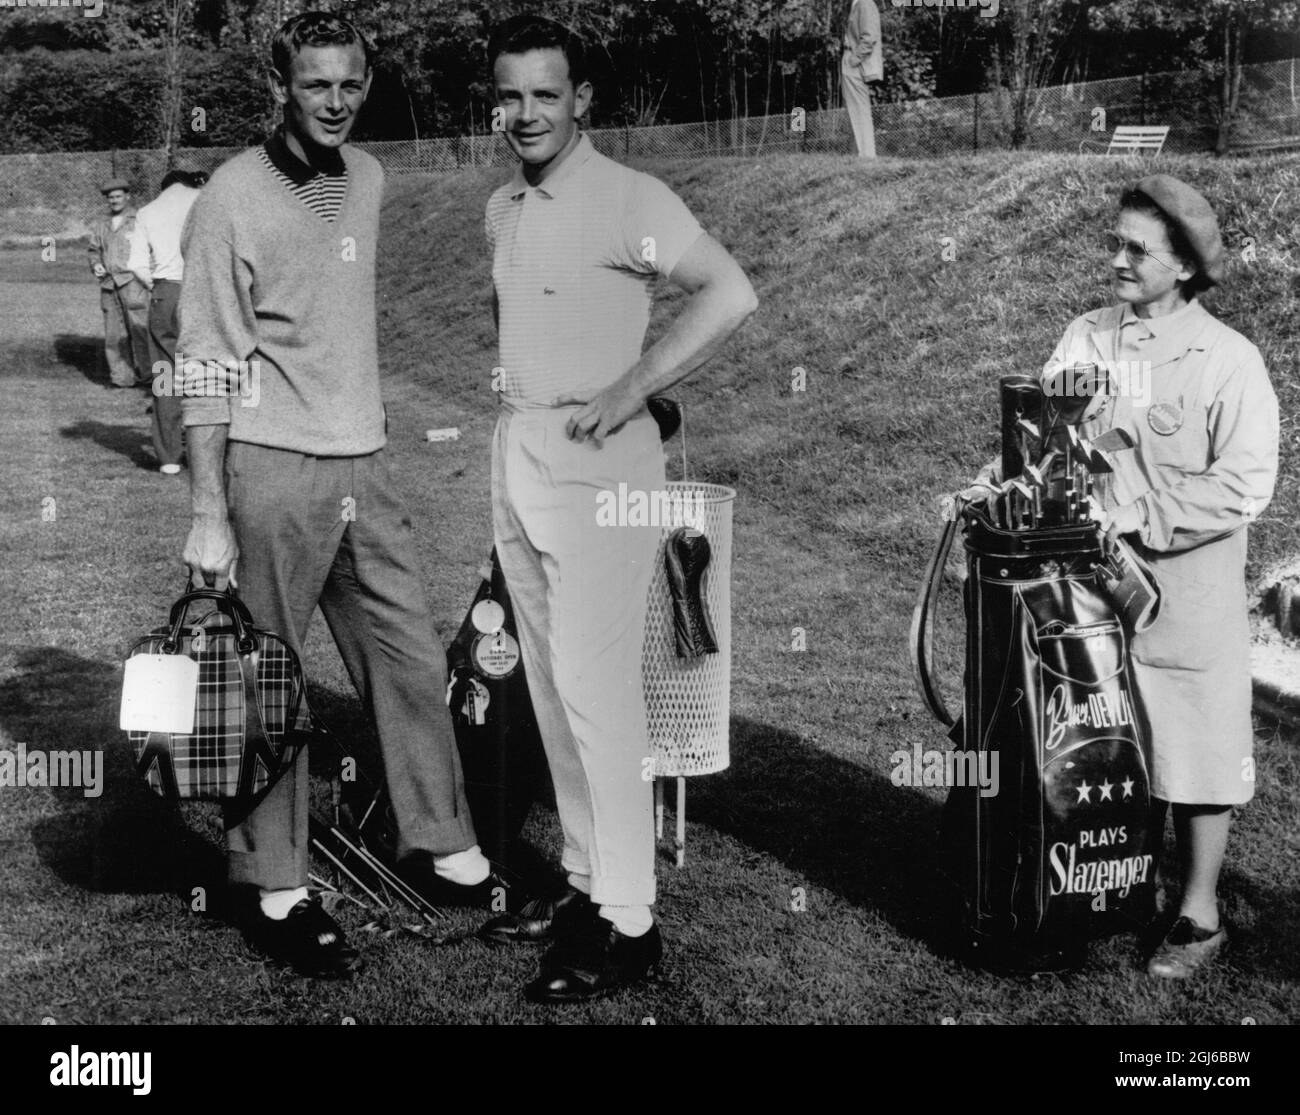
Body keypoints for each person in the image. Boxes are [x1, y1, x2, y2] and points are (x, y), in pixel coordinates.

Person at [177, 10, 504, 980]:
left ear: (366, 83)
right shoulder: (231, 195)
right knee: (263, 682)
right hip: (271, 467)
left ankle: (442, 842)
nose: (334, 101)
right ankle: (273, 883)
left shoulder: (366, 177)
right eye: (315, 83)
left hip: (366, 461)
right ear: (281, 85)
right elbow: (203, 361)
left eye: (349, 84)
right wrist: (207, 509)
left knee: (406, 653)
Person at [474, 15, 758, 1003]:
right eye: (508, 95)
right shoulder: (504, 207)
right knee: (551, 691)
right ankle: (592, 885)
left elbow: (726, 291)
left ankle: (631, 922)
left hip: (604, 464)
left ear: (580, 100)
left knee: (599, 691)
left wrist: (632, 385)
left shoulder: (630, 196)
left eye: (544, 95)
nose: (525, 113)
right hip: (520, 449)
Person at [1018, 175, 1277, 978]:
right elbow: (1042, 434)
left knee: (1196, 748)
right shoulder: (1089, 336)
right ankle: (1110, 886)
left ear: (1186, 266)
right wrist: (1018, 481)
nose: (1118, 259)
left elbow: (1243, 485)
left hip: (1189, 595)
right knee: (1103, 741)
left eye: (1138, 248)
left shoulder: (1229, 360)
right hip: (1092, 593)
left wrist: (1137, 508)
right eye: (1116, 241)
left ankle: (1197, 914)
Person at [127, 167, 208, 475]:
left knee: (165, 375)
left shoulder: (148, 211)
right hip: (201, 291)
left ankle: (169, 458)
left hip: (164, 292)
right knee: (214, 371)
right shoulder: (203, 199)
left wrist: (158, 288)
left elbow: (135, 264)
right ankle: (214, 451)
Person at [88, 179, 150, 388]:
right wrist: (95, 264)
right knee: (114, 334)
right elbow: (93, 250)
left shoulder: (139, 219)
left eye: (118, 196)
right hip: (108, 284)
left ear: (127, 197)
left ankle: (149, 376)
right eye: (110, 197)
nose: (114, 201)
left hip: (132, 282)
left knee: (140, 330)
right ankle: (122, 378)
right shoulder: (101, 223)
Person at [841, 0, 883, 158]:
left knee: (860, 110)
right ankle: (860, 154)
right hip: (851, 58)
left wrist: (854, 58)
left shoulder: (865, 4)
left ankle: (866, 155)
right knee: (854, 110)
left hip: (856, 62)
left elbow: (869, 37)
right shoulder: (857, 4)